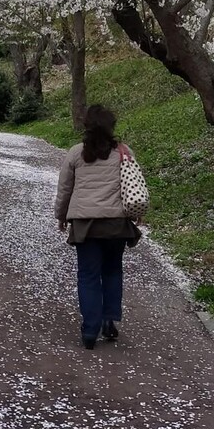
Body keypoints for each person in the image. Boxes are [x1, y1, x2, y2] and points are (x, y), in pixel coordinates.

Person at [54, 103, 142, 349]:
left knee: (88, 275)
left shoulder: (75, 154)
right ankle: (108, 321)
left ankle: (90, 330)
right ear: (111, 127)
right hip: (116, 225)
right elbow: (133, 185)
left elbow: (65, 190)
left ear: (87, 127)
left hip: (86, 226)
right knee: (113, 272)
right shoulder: (124, 152)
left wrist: (61, 216)